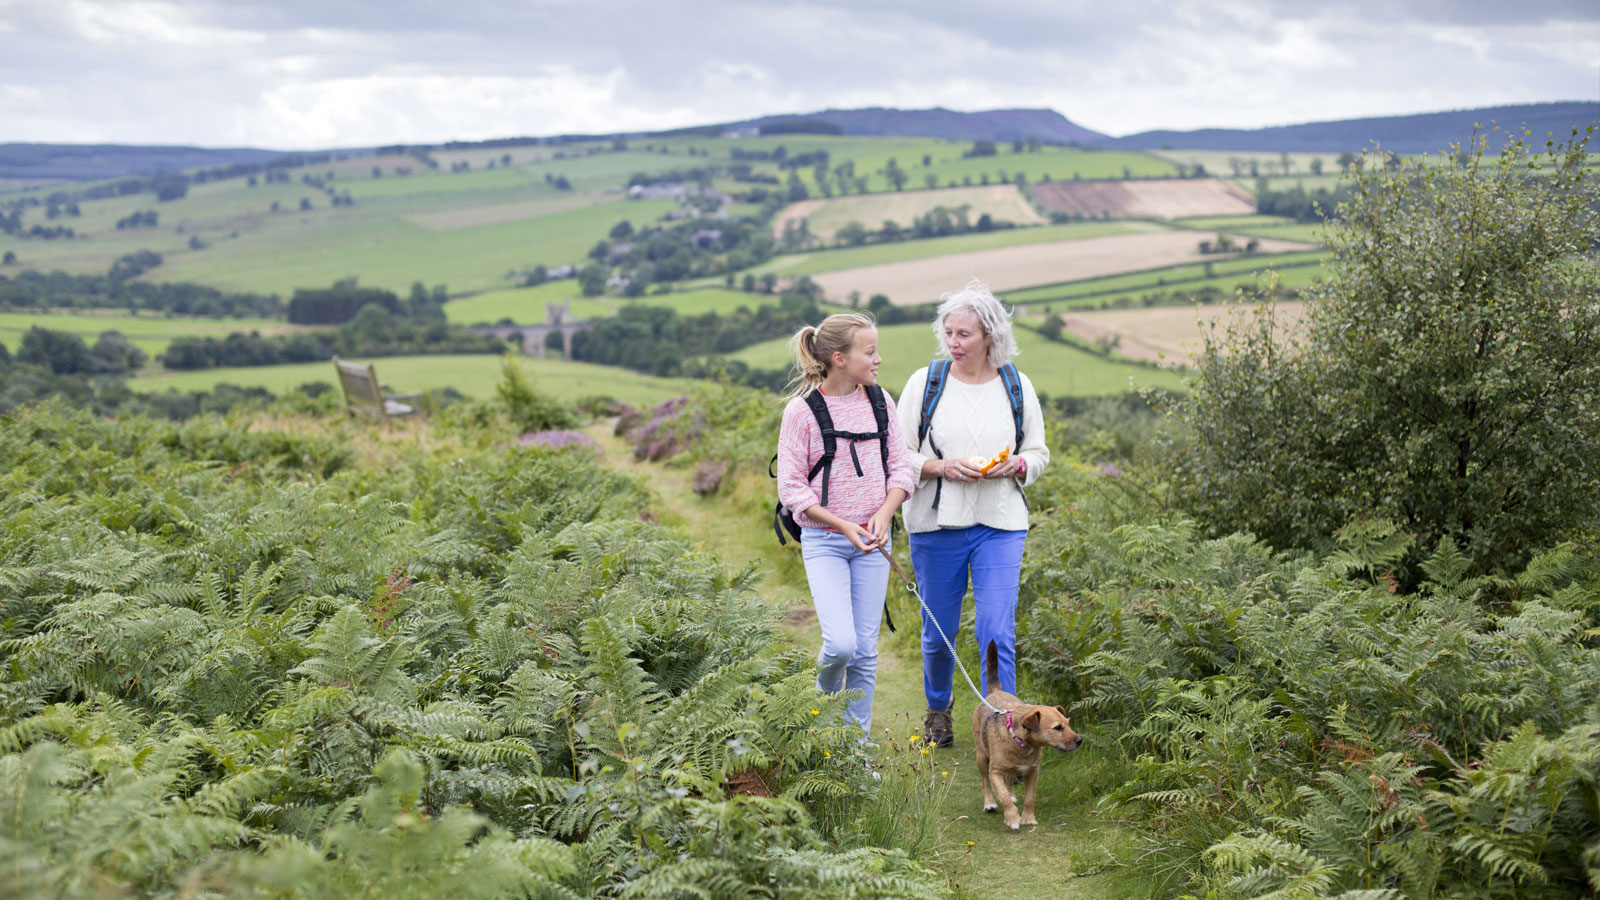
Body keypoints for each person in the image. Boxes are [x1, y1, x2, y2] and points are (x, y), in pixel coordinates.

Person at [899, 280, 1049, 748]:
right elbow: (897, 455)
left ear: (989, 335)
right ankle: (938, 713)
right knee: (939, 631)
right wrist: (939, 466)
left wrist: (1020, 464)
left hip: (1001, 521)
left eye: (964, 334)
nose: (953, 342)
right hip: (936, 524)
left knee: (996, 629)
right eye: (948, 332)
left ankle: (1006, 726)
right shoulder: (925, 383)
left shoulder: (1016, 385)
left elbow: (1039, 451)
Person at [775, 312, 916, 737]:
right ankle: (819, 718)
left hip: (874, 542)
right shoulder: (801, 413)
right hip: (824, 542)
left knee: (866, 653)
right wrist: (843, 525)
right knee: (840, 646)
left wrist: (885, 513)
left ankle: (857, 753)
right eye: (869, 351)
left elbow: (902, 467)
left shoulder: (880, 401)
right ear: (839, 358)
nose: (878, 360)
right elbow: (792, 488)